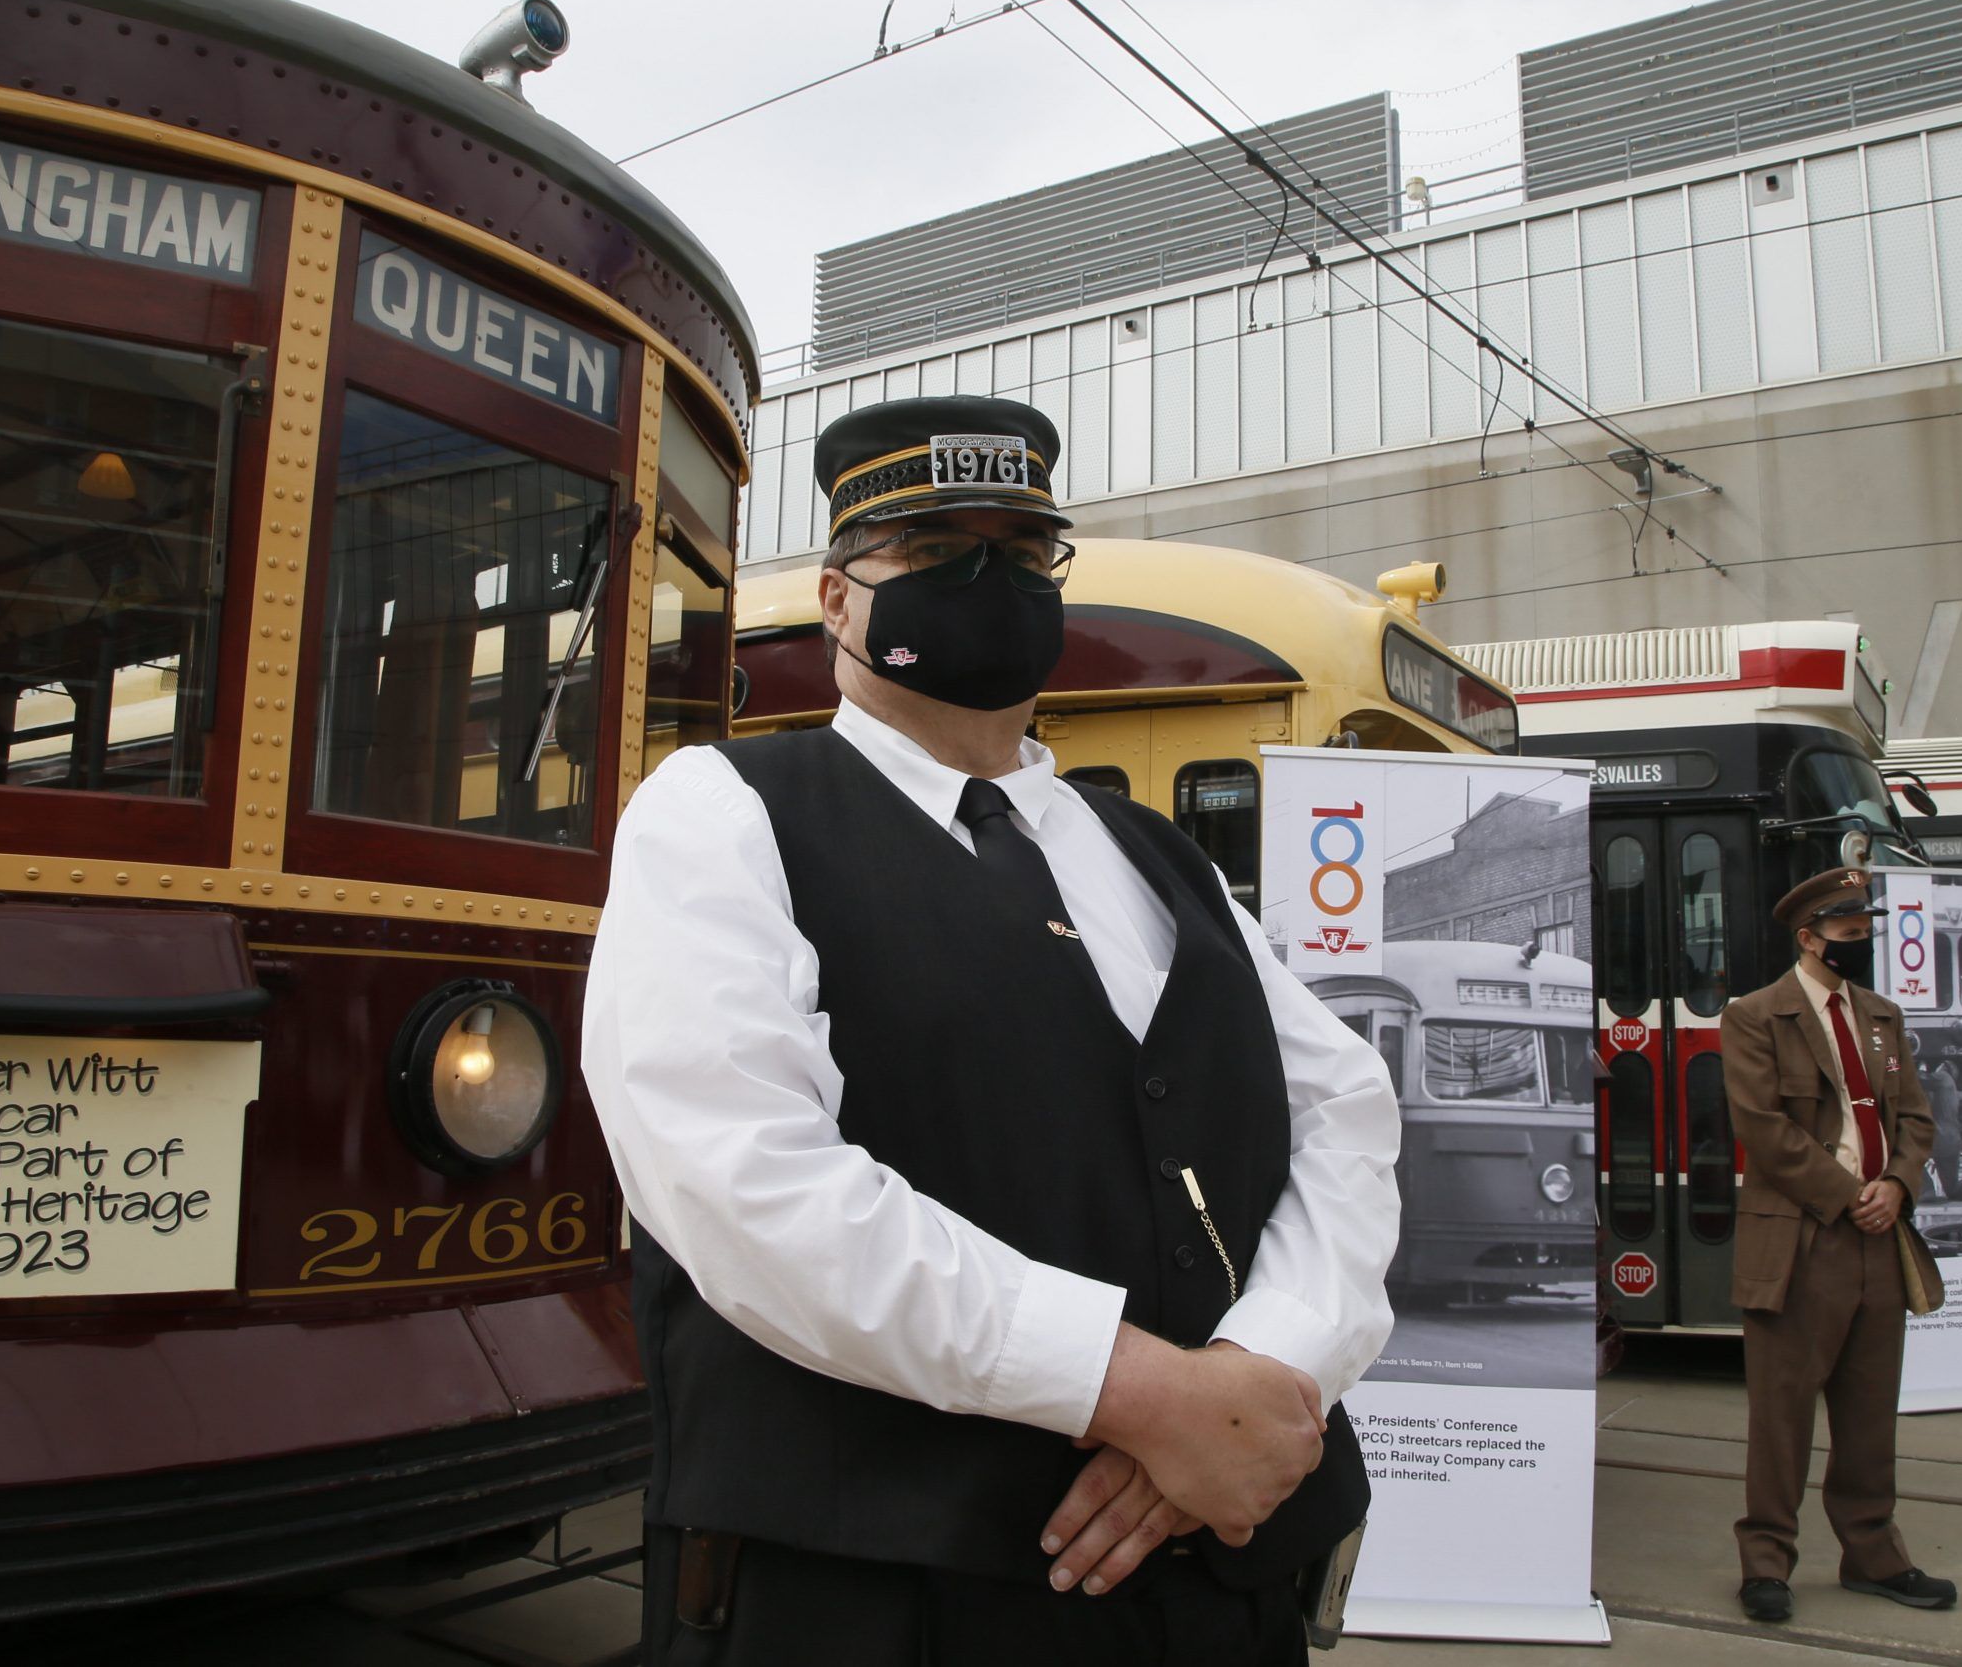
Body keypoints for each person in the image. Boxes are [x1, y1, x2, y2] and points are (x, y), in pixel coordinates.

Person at [582, 395, 1393, 1666]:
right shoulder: (721, 813)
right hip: (890, 1603)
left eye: (1019, 554)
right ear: (838, 599)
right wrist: (1141, 1393)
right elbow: (744, 1179)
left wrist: (1260, 1374)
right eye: (934, 551)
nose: (987, 582)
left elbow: (1343, 1109)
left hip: (1222, 1587)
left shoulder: (1158, 856)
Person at [1725, 869, 1955, 1626]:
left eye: (1865, 935)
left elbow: (1916, 1119)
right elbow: (1763, 1127)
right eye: (1850, 936)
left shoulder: (1883, 1018)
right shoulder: (1757, 1015)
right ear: (1809, 938)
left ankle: (1873, 1554)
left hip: (1879, 1240)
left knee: (1868, 1411)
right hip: (1801, 1238)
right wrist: (1847, 1191)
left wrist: (1897, 1184)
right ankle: (1766, 1562)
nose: (1862, 947)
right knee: (1782, 1416)